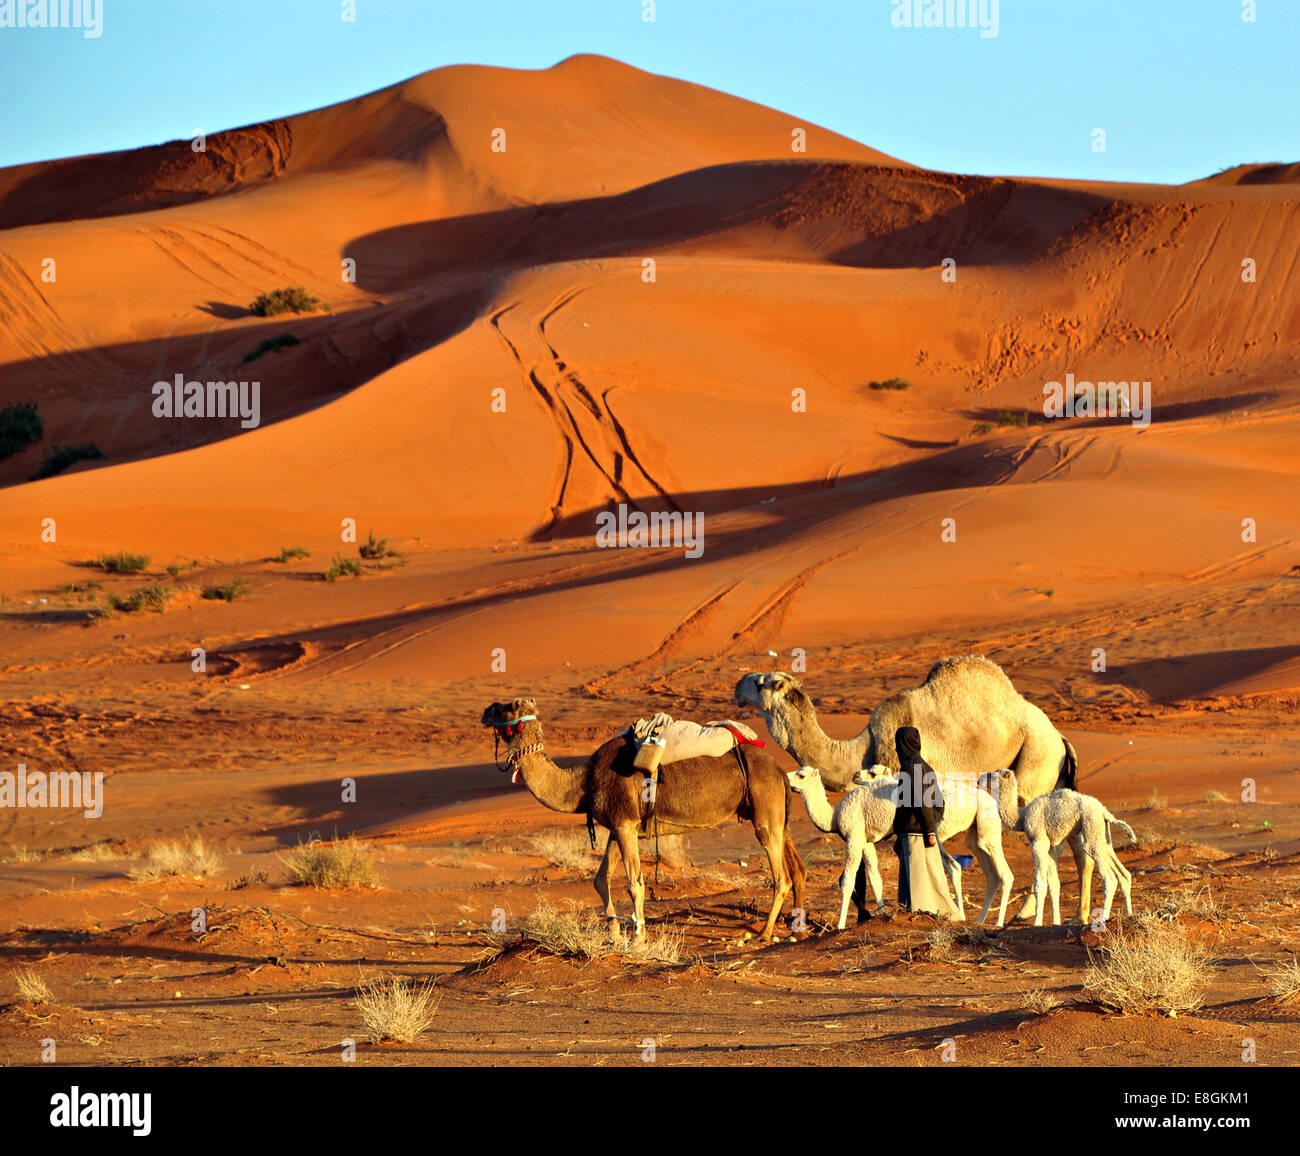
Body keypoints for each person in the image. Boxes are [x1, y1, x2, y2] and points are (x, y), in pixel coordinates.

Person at [892, 725, 960, 918]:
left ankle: (927, 921)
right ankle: (945, 917)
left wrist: (929, 830)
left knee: (919, 885)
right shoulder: (924, 766)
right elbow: (939, 801)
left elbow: (920, 801)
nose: (897, 749)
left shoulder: (910, 767)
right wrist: (933, 823)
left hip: (916, 833)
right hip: (918, 831)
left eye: (898, 744)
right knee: (931, 880)